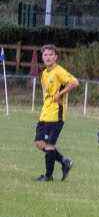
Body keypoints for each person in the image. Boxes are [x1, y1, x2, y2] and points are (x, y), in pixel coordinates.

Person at [33, 44, 76, 182]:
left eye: (51, 54)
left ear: (56, 56)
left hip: (56, 114)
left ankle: (48, 176)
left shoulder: (59, 71)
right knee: (39, 143)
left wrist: (60, 94)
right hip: (45, 113)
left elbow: (74, 82)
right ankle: (65, 161)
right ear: (42, 57)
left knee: (49, 145)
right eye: (45, 55)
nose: (48, 57)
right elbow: (45, 91)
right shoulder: (44, 73)